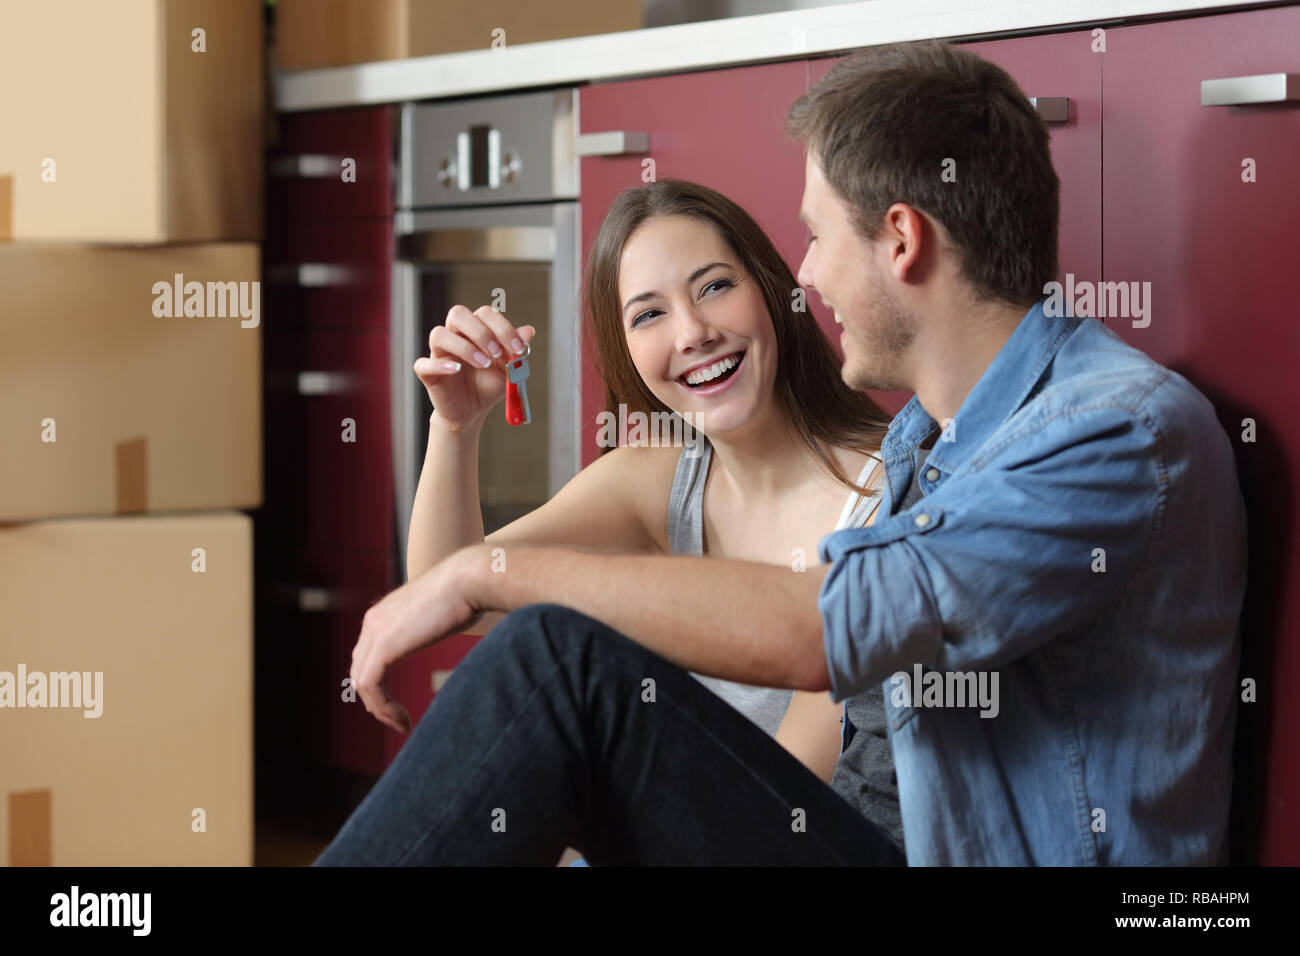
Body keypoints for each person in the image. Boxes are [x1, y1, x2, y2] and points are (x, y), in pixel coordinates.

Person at [315, 38, 1247, 866]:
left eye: (813, 234)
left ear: (901, 239)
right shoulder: (940, 435)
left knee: (556, 663)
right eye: (647, 314)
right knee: (553, 672)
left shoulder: (1114, 429)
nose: (805, 273)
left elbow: (824, 630)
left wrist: (494, 572)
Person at [398, 177, 906, 856]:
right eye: (649, 315)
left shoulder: (892, 495)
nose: (693, 332)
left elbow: (776, 803)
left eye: (715, 286)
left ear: (771, 293)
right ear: (629, 353)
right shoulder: (659, 480)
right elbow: (444, 592)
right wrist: (455, 427)